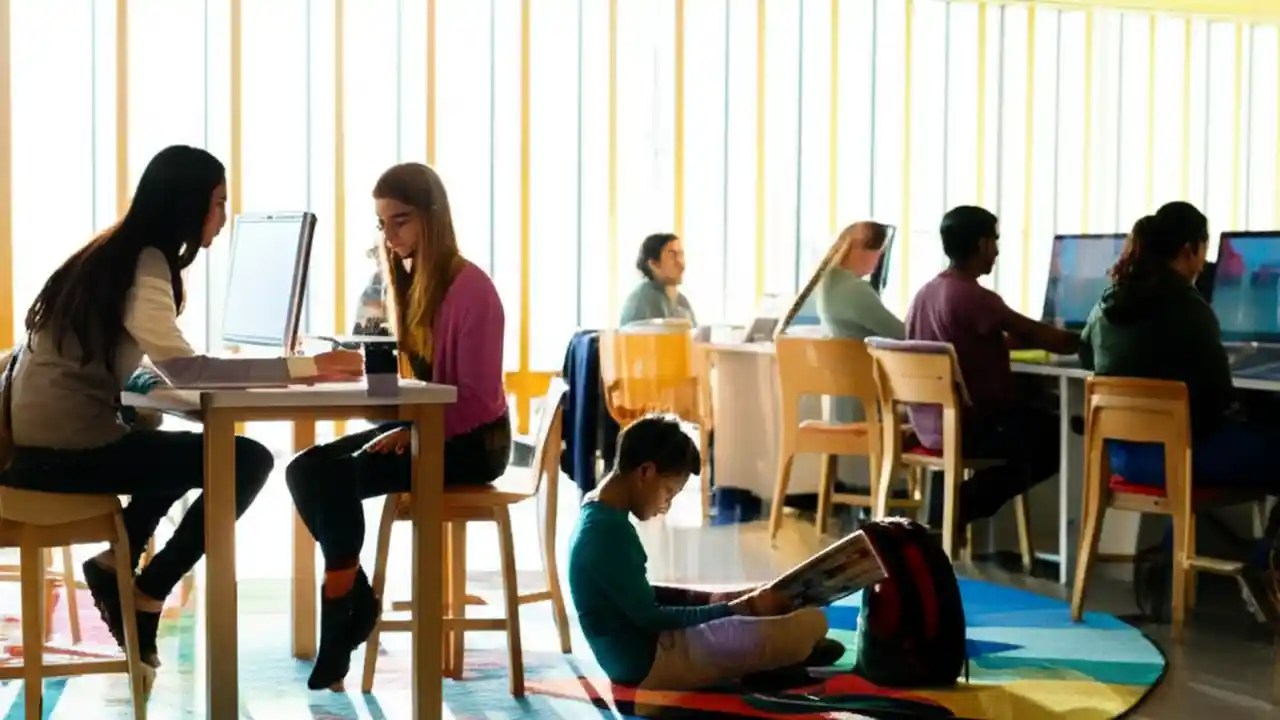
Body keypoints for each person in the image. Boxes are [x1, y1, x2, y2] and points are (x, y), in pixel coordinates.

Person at [0, 145, 364, 668]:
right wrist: (309, 368)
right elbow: (188, 370)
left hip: (35, 447)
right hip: (59, 455)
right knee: (244, 459)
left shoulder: (110, 252)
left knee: (189, 450)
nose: (221, 216)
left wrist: (145, 387)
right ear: (187, 203)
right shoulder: (145, 261)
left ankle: (115, 561)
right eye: (217, 202)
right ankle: (149, 592)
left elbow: (130, 363)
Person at [285, 162, 511, 690]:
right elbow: (394, 373)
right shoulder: (403, 282)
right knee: (305, 470)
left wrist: (413, 434)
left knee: (336, 479)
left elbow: (476, 400)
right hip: (427, 425)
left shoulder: (473, 291)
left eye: (401, 221)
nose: (389, 235)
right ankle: (357, 600)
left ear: (433, 218)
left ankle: (338, 620)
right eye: (382, 223)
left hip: (474, 441)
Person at [1079, 201, 1280, 625]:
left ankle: (1214, 566)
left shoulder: (1106, 305)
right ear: (1190, 250)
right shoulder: (1191, 310)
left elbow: (1085, 355)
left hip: (1124, 459)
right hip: (1179, 461)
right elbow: (1218, 397)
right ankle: (1263, 563)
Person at [568, 414, 843, 690]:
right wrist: (739, 608)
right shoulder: (607, 534)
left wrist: (724, 599)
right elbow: (653, 618)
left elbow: (639, 595)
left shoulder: (597, 511)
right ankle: (787, 656)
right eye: (669, 492)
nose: (666, 506)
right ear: (645, 473)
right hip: (649, 662)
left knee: (778, 611)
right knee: (811, 622)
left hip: (644, 650)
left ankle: (780, 656)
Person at [905, 206, 1079, 526]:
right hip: (970, 430)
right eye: (995, 241)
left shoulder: (924, 295)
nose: (997, 251)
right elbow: (1053, 340)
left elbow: (993, 340)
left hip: (929, 428)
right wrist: (1090, 336)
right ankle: (966, 502)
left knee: (1036, 410)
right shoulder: (975, 297)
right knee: (1059, 435)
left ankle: (949, 508)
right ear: (983, 244)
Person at [817, 221, 904, 341]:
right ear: (861, 250)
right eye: (880, 250)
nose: (880, 257)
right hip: (863, 358)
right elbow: (904, 335)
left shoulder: (829, 282)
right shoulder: (855, 290)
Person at [620, 233, 696, 326]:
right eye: (672, 256)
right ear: (653, 264)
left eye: (681, 254)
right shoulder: (643, 301)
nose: (680, 263)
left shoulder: (682, 300)